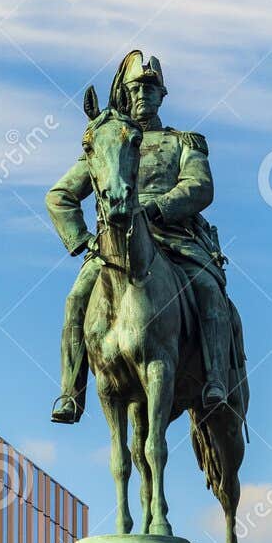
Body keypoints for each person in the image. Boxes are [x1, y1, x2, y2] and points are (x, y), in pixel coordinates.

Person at [46, 50, 233, 423]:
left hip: (175, 238)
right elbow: (60, 195)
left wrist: (157, 208)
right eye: (136, 88)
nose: (142, 95)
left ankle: (214, 380)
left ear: (163, 94)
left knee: (210, 293)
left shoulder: (183, 142)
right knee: (77, 298)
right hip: (113, 247)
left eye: (150, 88)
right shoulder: (106, 142)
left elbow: (200, 186)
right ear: (125, 94)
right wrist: (81, 238)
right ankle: (71, 390)